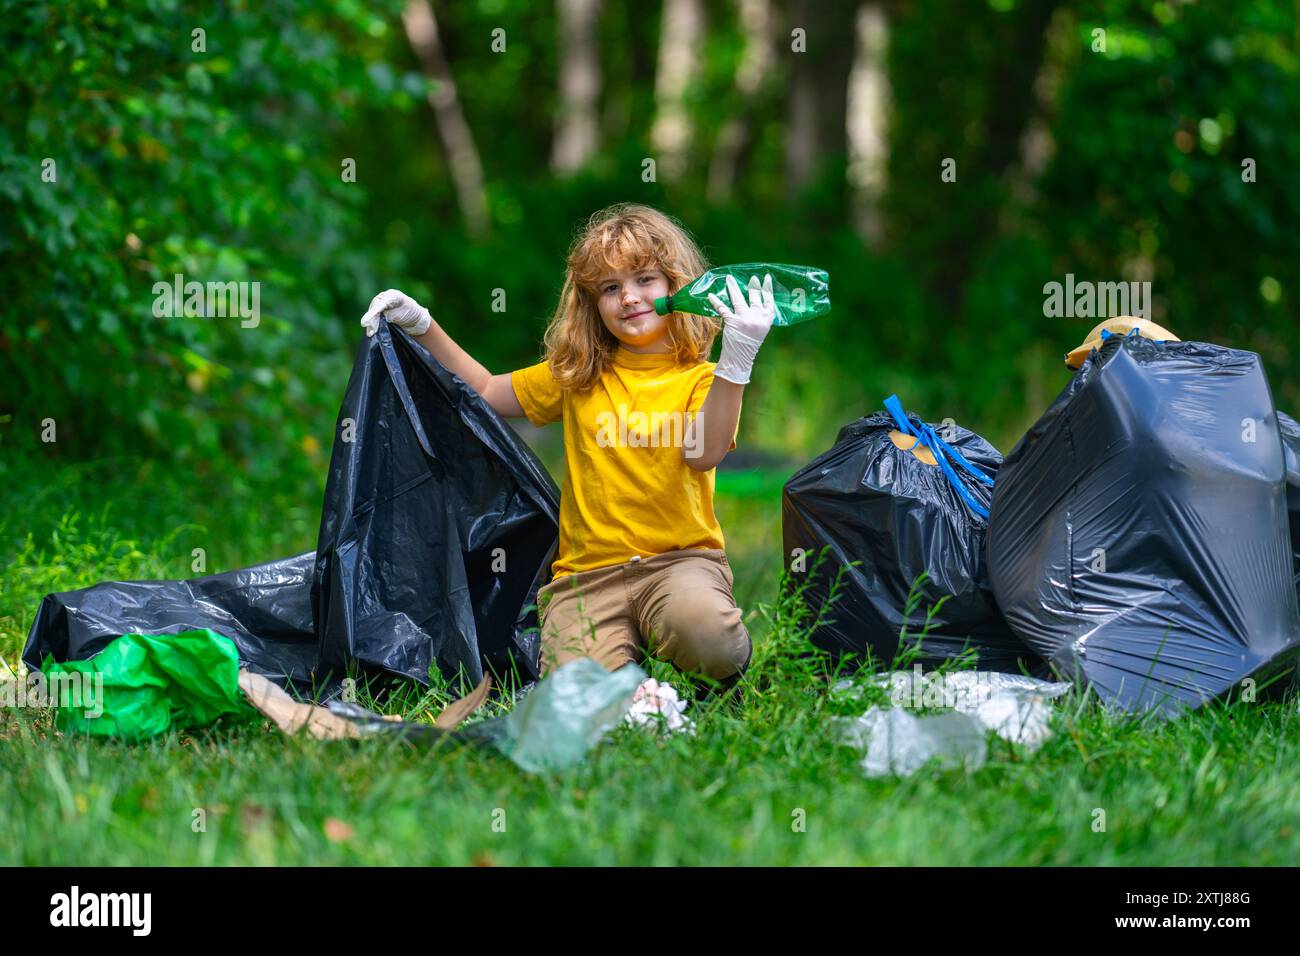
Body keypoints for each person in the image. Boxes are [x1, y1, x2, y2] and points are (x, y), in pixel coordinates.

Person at [359, 203, 776, 699]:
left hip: (679, 564)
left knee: (707, 636)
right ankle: (635, 692)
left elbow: (703, 453)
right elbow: (489, 392)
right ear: (592, 304)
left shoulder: (700, 380)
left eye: (645, 279)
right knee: (578, 697)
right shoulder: (580, 375)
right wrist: (422, 324)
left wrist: (737, 360)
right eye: (610, 288)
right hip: (587, 579)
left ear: (676, 287)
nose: (629, 298)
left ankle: (723, 680)